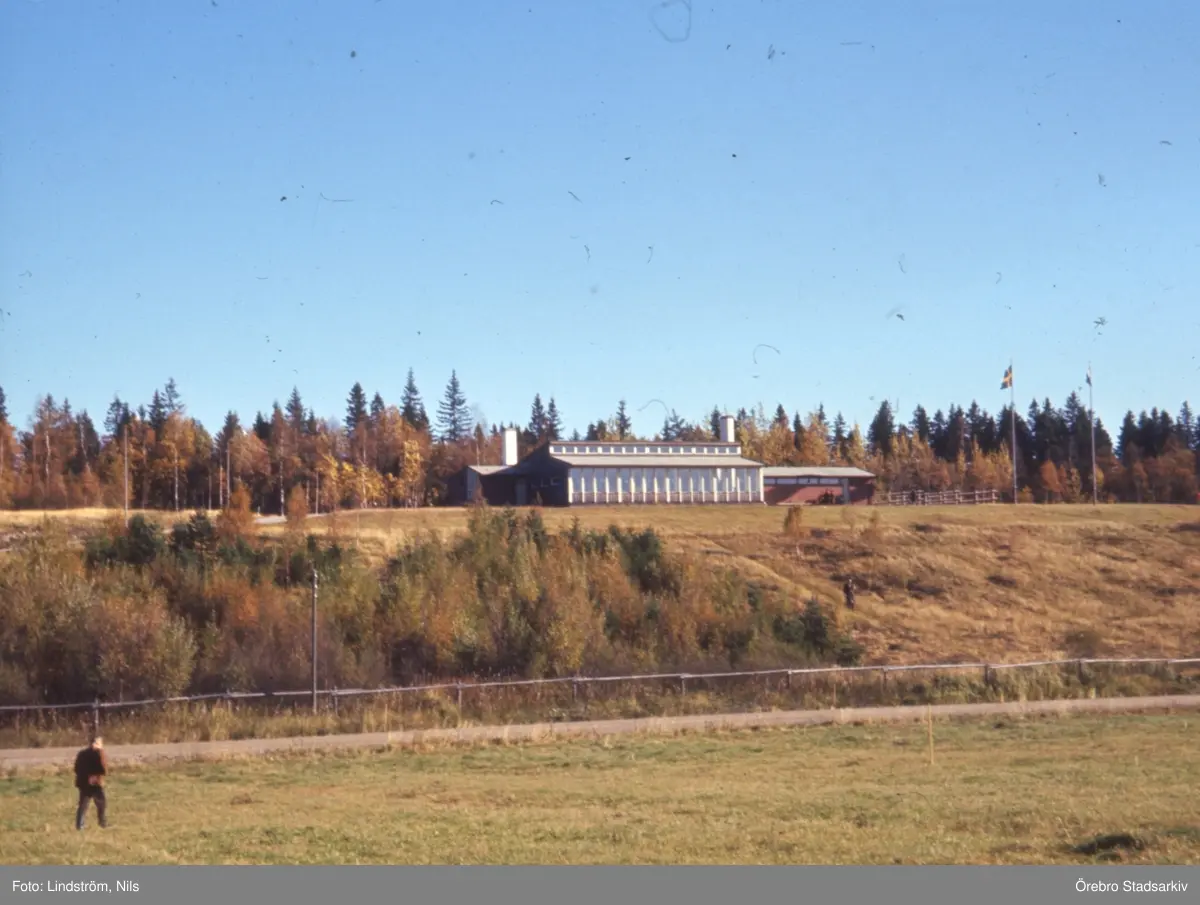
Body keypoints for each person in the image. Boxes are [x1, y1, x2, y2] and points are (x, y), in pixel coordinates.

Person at [73, 734, 108, 830]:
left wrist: (84, 777)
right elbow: (103, 768)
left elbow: (76, 768)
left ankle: (79, 825)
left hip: (83, 782)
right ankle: (102, 823)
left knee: (83, 805)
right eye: (100, 743)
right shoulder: (99, 753)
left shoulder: (82, 753)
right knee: (102, 803)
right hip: (95, 782)